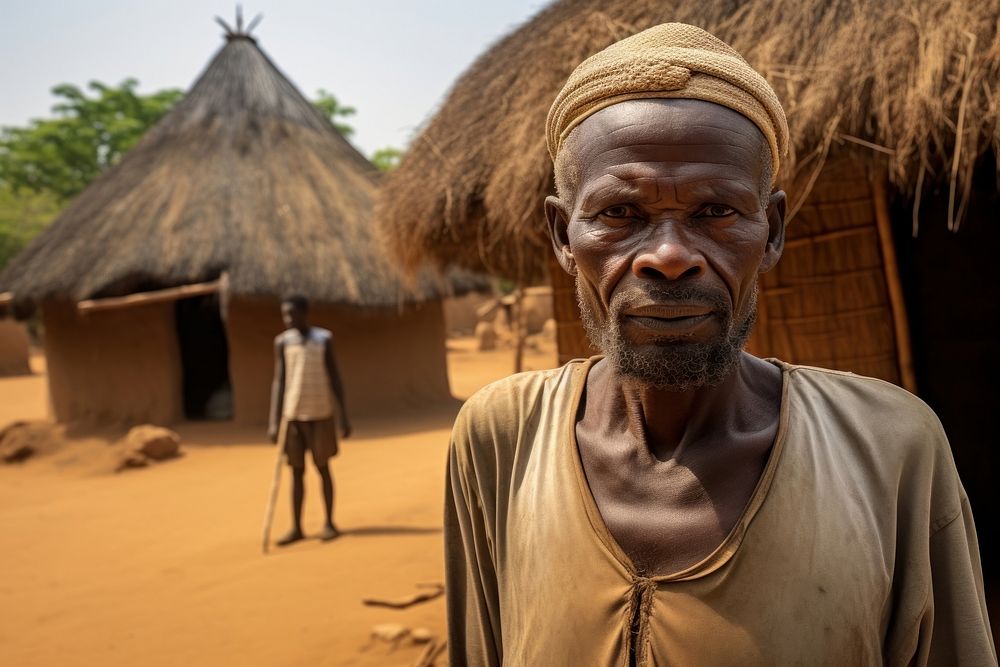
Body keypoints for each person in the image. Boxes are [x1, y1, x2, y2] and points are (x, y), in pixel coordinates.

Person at [444, 23, 995, 665]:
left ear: (773, 232)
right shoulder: (502, 438)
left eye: (716, 212)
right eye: (620, 214)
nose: (669, 256)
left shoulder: (891, 448)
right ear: (565, 235)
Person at [268, 294, 351, 546]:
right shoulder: (283, 342)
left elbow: (335, 378)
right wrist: (274, 419)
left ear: (305, 313)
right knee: (296, 472)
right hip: (292, 416)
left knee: (323, 467)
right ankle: (297, 527)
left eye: (292, 313)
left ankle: (329, 522)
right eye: (284, 314)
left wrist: (343, 417)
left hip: (321, 413)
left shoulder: (323, 339)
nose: (288, 319)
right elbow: (279, 381)